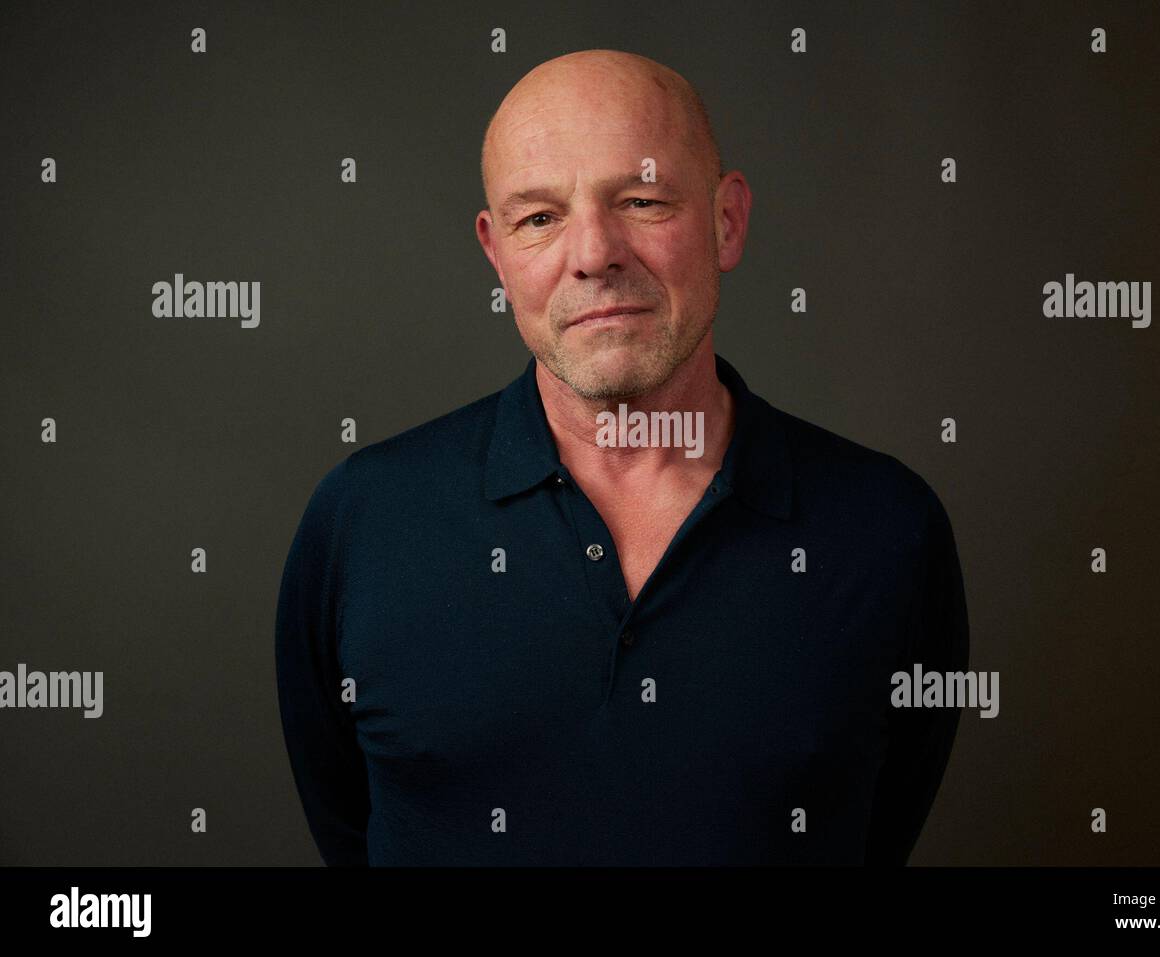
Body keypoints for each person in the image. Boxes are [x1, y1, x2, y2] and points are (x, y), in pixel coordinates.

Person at [275, 48, 969, 866]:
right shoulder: (365, 521)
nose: (594, 253)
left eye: (641, 200)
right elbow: (348, 827)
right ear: (496, 255)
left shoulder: (885, 528)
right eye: (540, 218)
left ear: (727, 221)